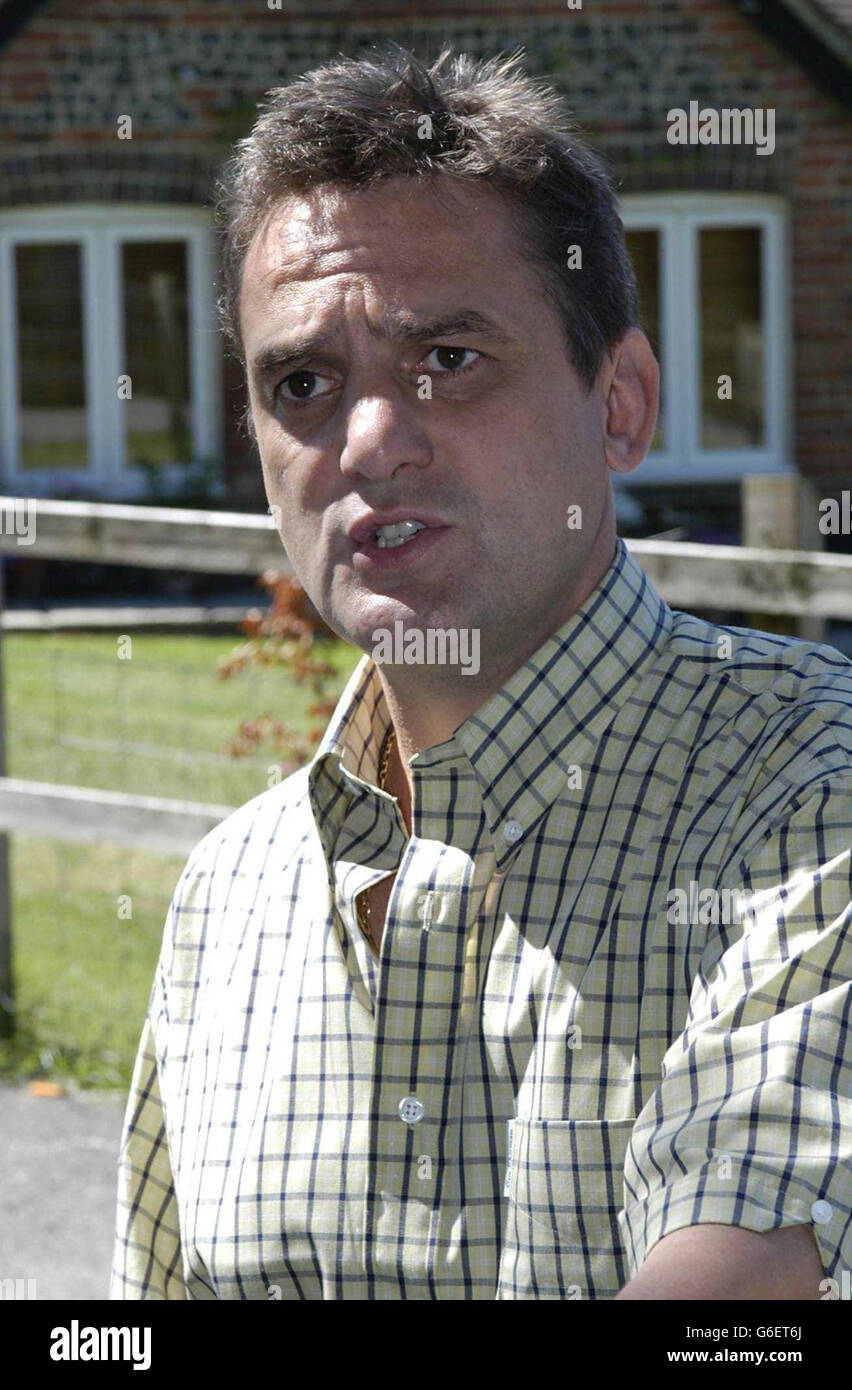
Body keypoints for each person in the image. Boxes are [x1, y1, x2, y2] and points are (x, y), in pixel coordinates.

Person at [111, 45, 851, 1300]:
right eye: (303, 383)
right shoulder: (225, 901)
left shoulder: (807, 792)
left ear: (619, 401)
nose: (370, 442)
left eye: (449, 360)